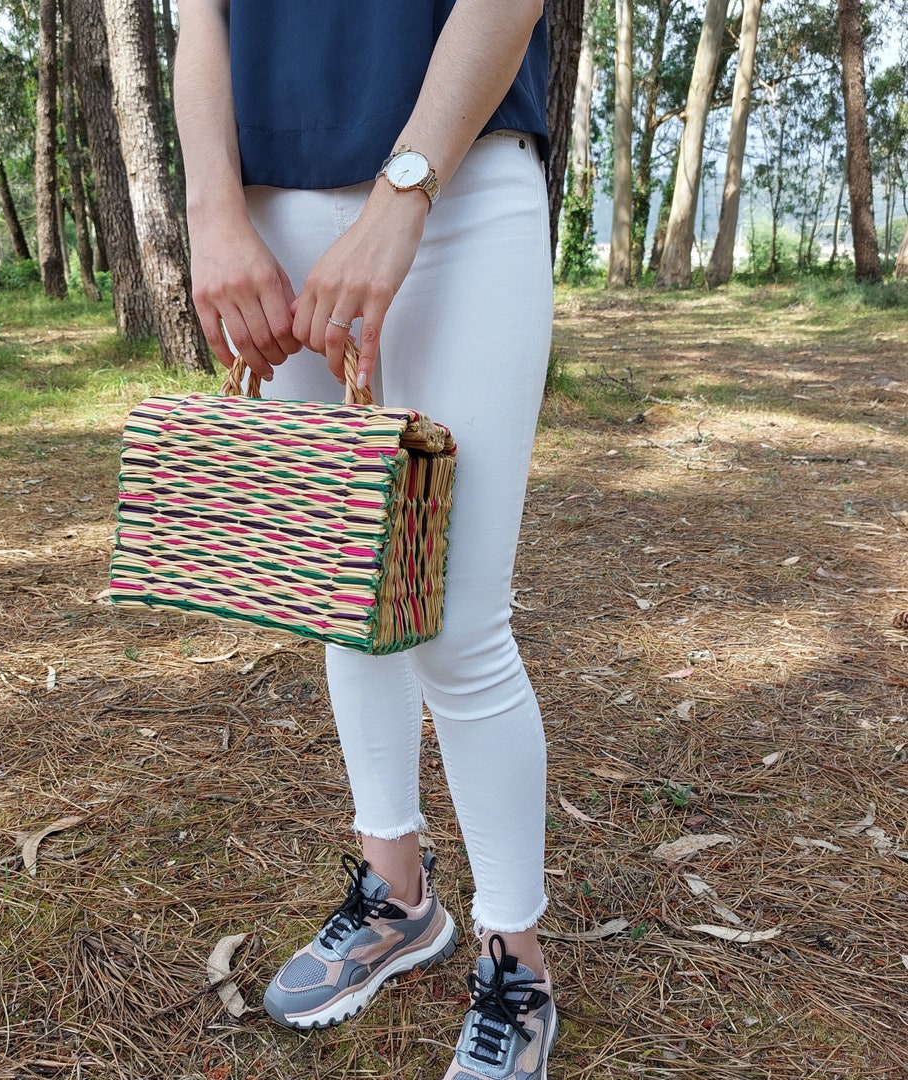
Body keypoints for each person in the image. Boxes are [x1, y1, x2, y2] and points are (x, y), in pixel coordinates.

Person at [174, 3, 556, 1076]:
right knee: (339, 585)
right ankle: (398, 896)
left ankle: (515, 959)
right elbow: (199, 15)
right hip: (264, 213)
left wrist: (405, 190)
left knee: (460, 625)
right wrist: (211, 211)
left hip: (460, 181)